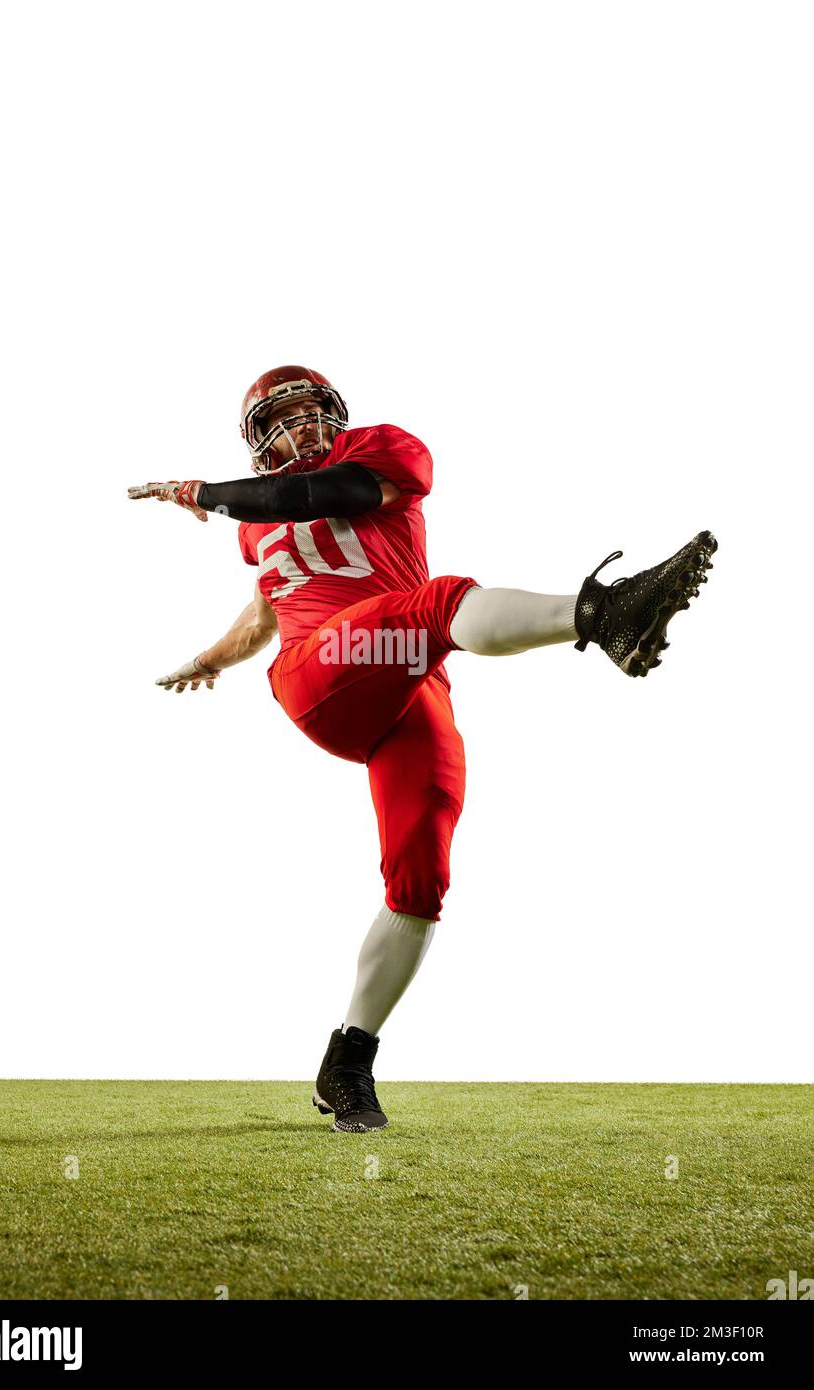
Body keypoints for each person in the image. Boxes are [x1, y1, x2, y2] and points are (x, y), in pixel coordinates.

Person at [128, 365, 717, 1133]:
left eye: (312, 412)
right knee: (439, 603)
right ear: (258, 441)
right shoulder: (252, 529)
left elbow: (314, 497)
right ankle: (603, 613)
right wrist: (210, 659)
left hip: (410, 680)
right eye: (282, 419)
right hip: (322, 676)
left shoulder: (384, 452)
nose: (301, 427)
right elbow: (266, 612)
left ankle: (346, 1061)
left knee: (420, 877)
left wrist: (200, 492)